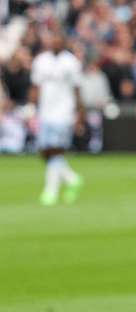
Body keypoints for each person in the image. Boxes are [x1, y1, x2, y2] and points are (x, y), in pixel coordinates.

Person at [29, 31, 85, 206]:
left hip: (64, 112)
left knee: (55, 150)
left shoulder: (71, 62)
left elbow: (77, 89)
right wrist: (32, 107)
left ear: (64, 42)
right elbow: (36, 87)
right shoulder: (41, 61)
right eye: (52, 39)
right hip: (45, 111)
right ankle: (71, 178)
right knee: (44, 152)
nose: (55, 42)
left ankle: (50, 191)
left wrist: (79, 114)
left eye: (58, 40)